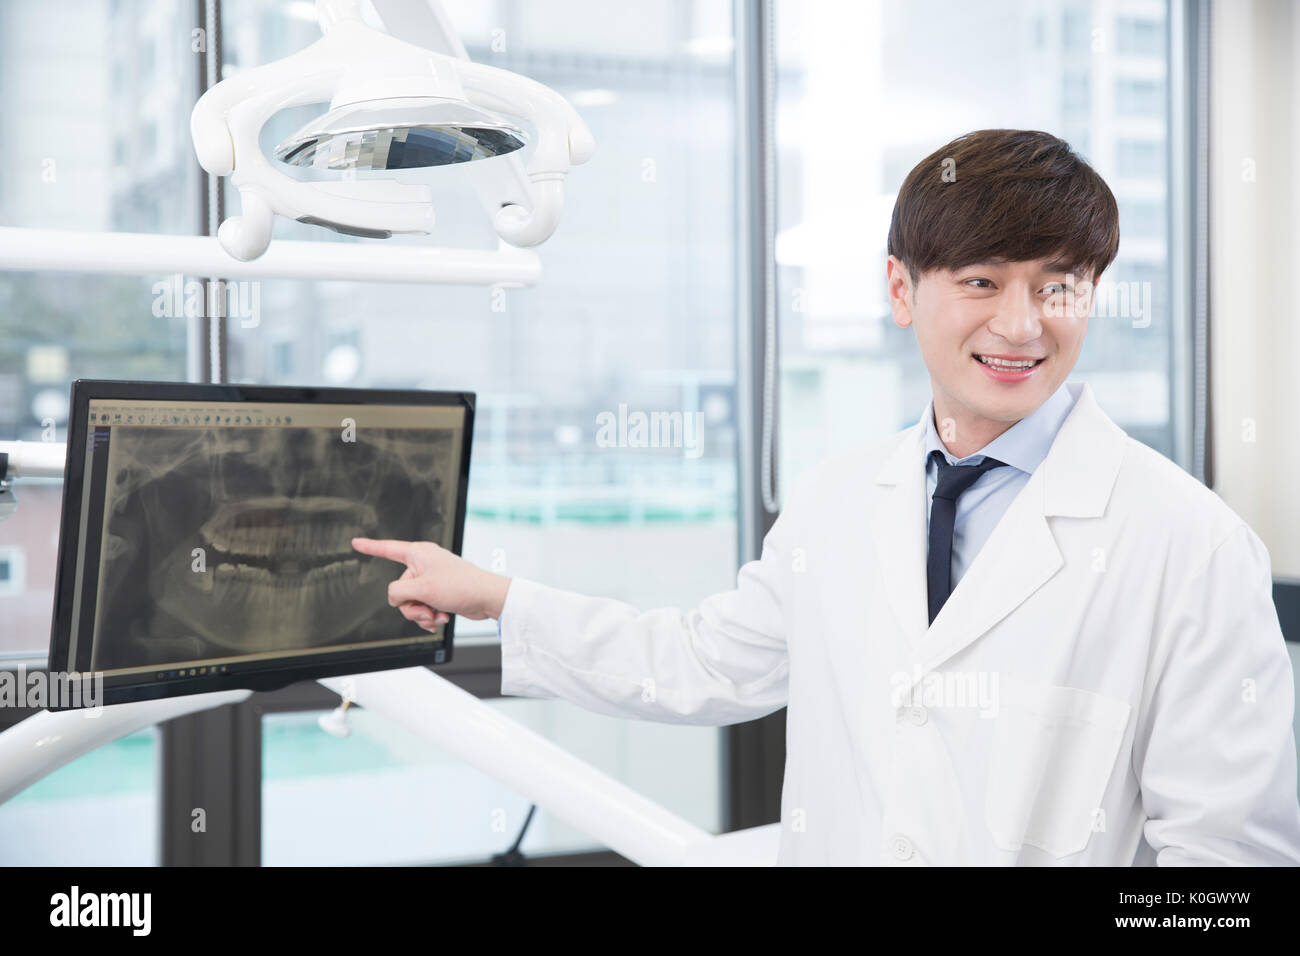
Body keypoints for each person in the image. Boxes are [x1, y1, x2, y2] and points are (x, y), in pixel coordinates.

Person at [353, 129, 1300, 866]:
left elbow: (1226, 879)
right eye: (981, 282)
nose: (1022, 324)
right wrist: (495, 597)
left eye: (1059, 287)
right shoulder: (838, 502)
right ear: (901, 289)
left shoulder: (1191, 546)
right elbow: (700, 665)